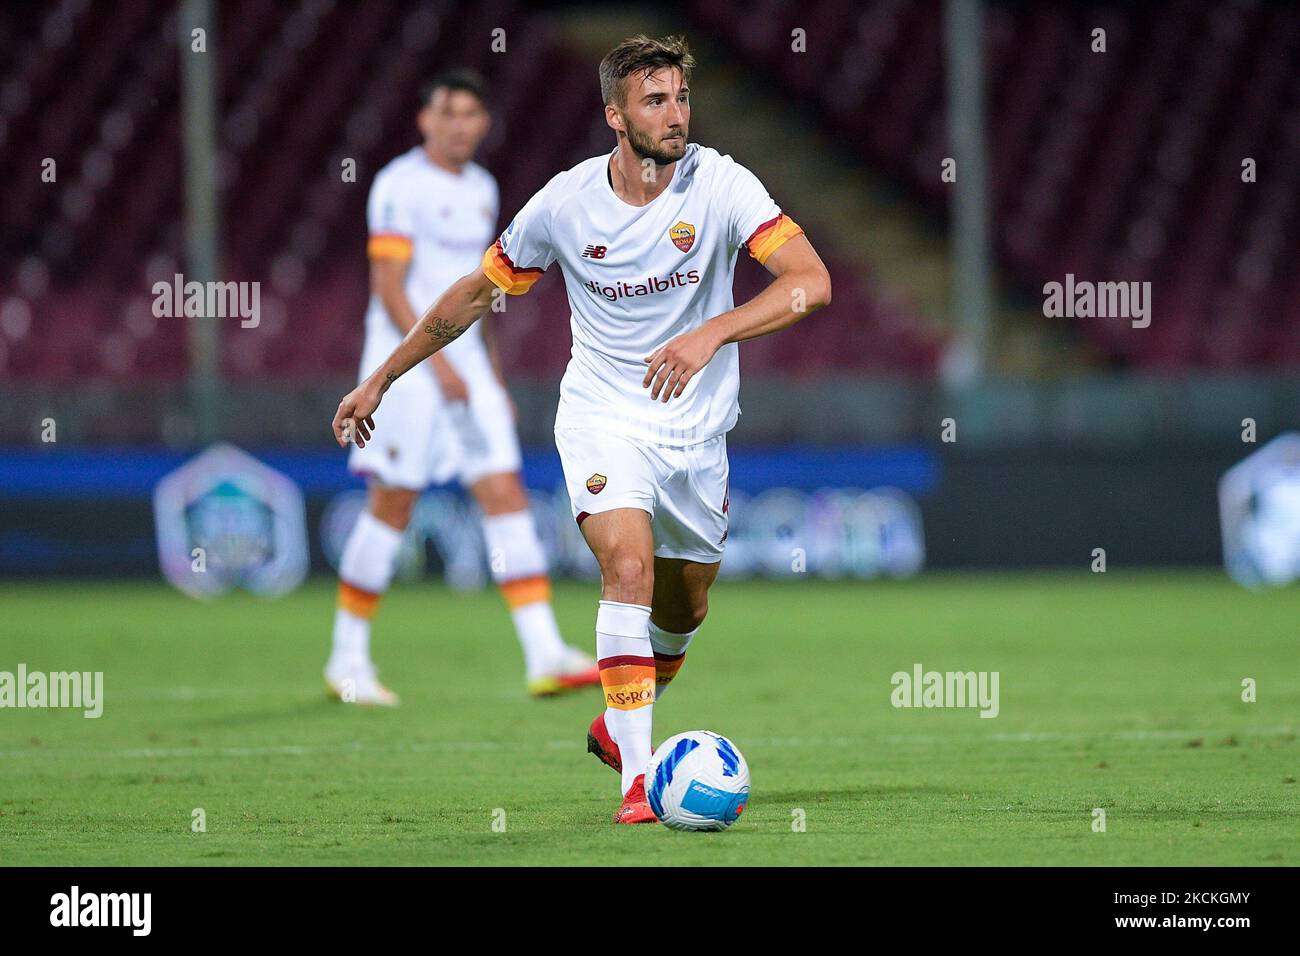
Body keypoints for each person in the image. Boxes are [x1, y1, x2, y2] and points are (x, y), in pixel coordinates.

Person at [331, 36, 831, 822]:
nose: (675, 115)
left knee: (686, 609)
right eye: (655, 101)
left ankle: (616, 718)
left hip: (696, 434)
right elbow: (470, 296)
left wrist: (714, 332)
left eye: (681, 98)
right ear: (615, 115)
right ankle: (638, 780)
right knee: (626, 567)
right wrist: (382, 378)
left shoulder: (721, 182)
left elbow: (812, 284)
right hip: (603, 416)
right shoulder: (565, 204)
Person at [326, 70, 598, 706]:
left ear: (483, 124)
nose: (459, 124)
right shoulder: (399, 184)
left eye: (471, 113)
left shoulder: (482, 188)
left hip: (466, 364)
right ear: (424, 120)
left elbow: (483, 293)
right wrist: (435, 365)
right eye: (447, 112)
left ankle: (544, 652)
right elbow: (389, 286)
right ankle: (347, 660)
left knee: (504, 491)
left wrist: (489, 375)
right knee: (392, 504)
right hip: (406, 365)